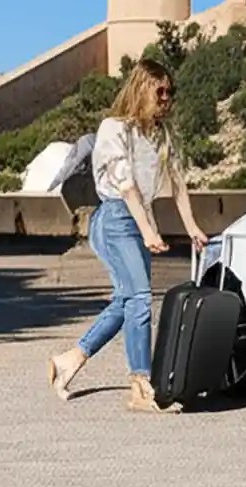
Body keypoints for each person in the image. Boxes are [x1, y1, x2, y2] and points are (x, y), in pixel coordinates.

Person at [45, 59, 208, 412]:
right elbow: (127, 186)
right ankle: (140, 386)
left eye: (170, 92)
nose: (165, 99)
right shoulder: (113, 128)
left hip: (138, 218)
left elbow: (178, 182)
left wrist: (191, 226)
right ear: (140, 89)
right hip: (116, 216)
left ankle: (69, 360)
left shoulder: (161, 135)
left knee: (126, 301)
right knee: (140, 300)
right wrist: (149, 230)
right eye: (158, 91)